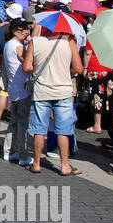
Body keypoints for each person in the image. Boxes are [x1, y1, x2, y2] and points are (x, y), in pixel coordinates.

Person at [22, 20, 85, 176]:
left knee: (39, 130)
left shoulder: (35, 42)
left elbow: (27, 67)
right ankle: (65, 165)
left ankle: (36, 163)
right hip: (63, 91)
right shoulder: (69, 41)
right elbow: (78, 68)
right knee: (63, 130)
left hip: (41, 91)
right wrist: (65, 71)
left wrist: (40, 68)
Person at [1, 19, 31, 163]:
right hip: (22, 89)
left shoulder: (8, 44)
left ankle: (9, 151)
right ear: (14, 31)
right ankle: (23, 155)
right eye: (22, 29)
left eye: (27, 29)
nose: (26, 31)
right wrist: (31, 46)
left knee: (13, 122)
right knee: (22, 123)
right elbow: (28, 62)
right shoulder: (19, 46)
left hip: (14, 87)